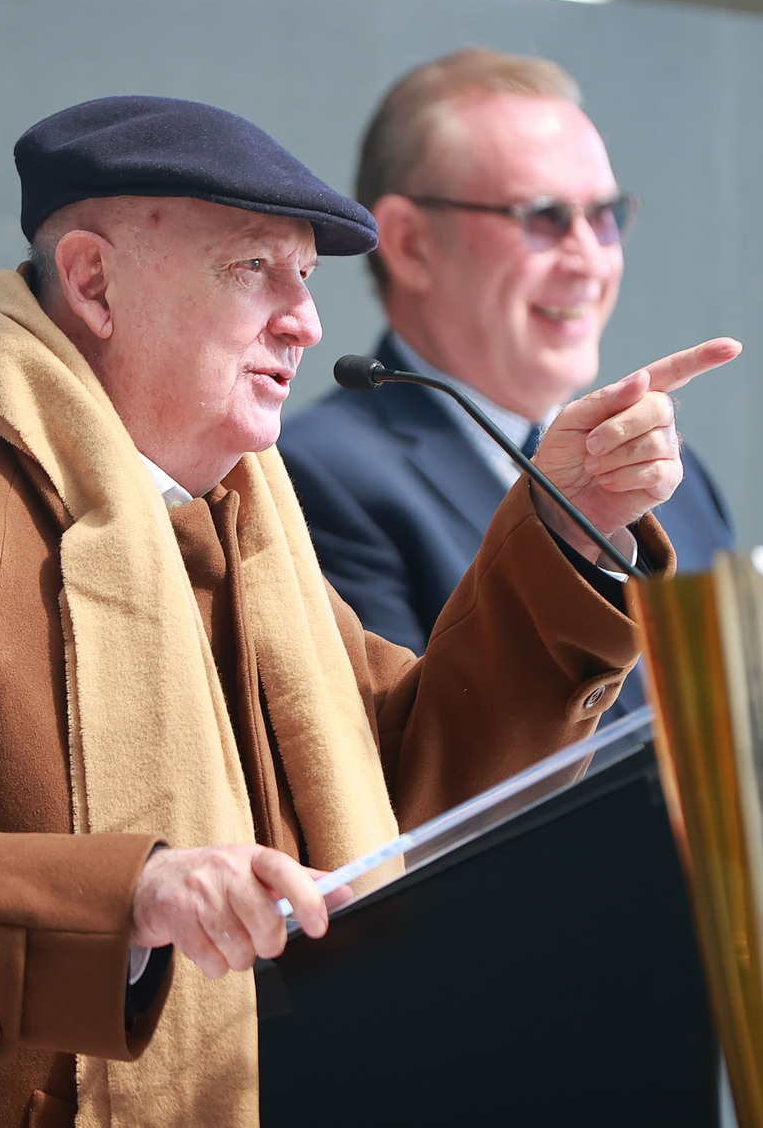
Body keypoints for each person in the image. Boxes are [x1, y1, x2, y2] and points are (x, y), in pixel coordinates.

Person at [0, 95, 736, 1128]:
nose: (307, 318)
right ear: (94, 284)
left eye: (308, 277)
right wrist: (133, 899)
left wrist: (565, 526)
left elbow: (410, 791)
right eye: (254, 269)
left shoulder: (247, 522)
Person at [281, 49, 737, 691]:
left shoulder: (668, 478)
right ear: (411, 244)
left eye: (605, 217)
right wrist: (565, 547)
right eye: (545, 218)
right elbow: (414, 770)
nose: (589, 261)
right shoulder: (316, 478)